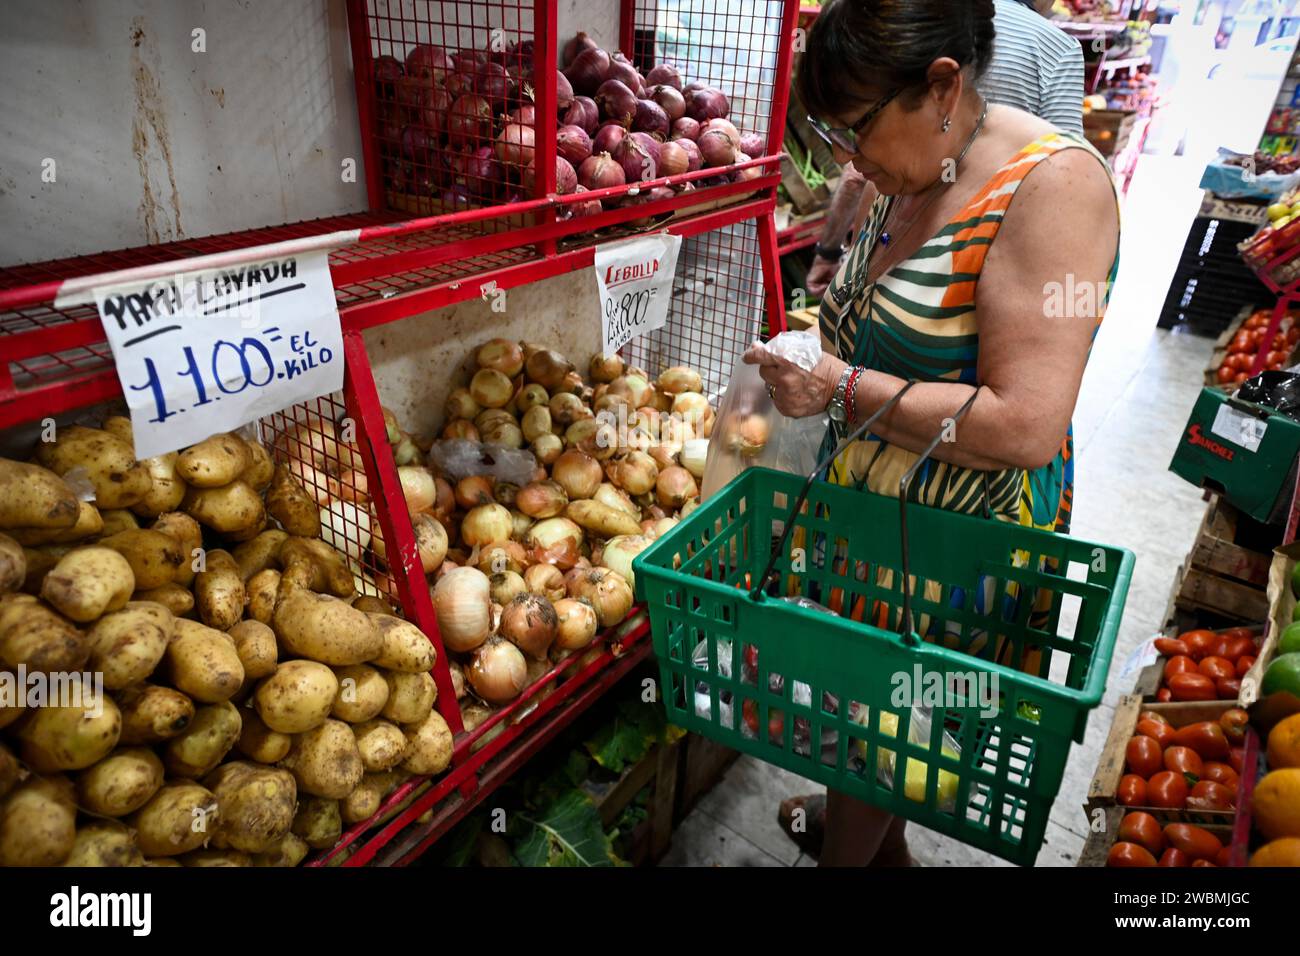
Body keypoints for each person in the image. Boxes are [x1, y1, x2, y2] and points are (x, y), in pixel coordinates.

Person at [744, 0, 1119, 866]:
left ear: (941, 85)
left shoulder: (1053, 188)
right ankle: (880, 849)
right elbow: (887, 325)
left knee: (900, 734)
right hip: (877, 531)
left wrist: (838, 386)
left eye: (858, 131)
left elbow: (1025, 426)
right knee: (873, 728)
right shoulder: (913, 173)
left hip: (956, 551)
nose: (852, 162)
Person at [805, 0, 1085, 298]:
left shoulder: (893, 179)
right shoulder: (887, 189)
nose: (841, 155)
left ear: (943, 90)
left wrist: (829, 249)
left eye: (856, 127)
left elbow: (1066, 173)